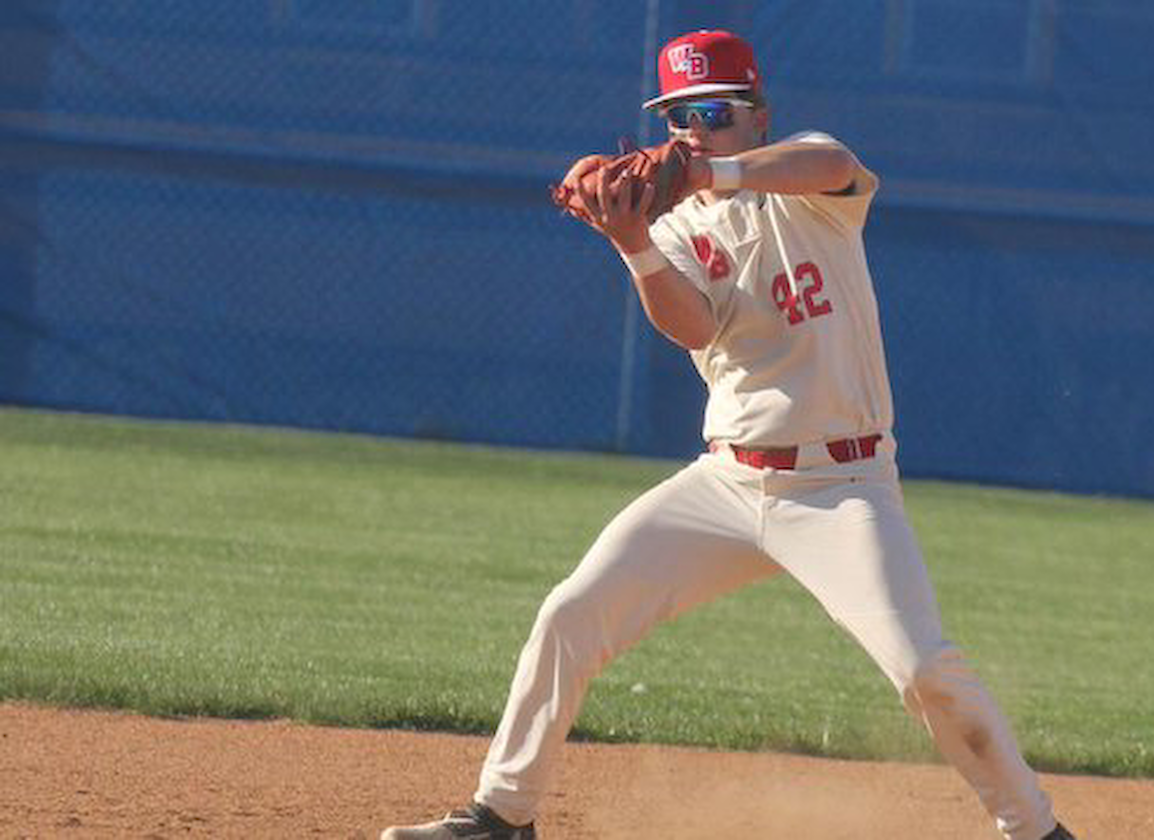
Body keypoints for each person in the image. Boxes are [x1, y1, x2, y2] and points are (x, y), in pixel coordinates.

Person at [382, 29, 1077, 840]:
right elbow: (693, 322)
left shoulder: (808, 180)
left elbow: (831, 160)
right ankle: (502, 815)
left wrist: (713, 171)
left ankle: (1034, 827)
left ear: (758, 117)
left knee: (925, 669)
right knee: (572, 613)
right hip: (727, 483)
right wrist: (633, 243)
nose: (693, 131)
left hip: (841, 490)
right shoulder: (673, 226)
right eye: (678, 116)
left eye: (714, 112)